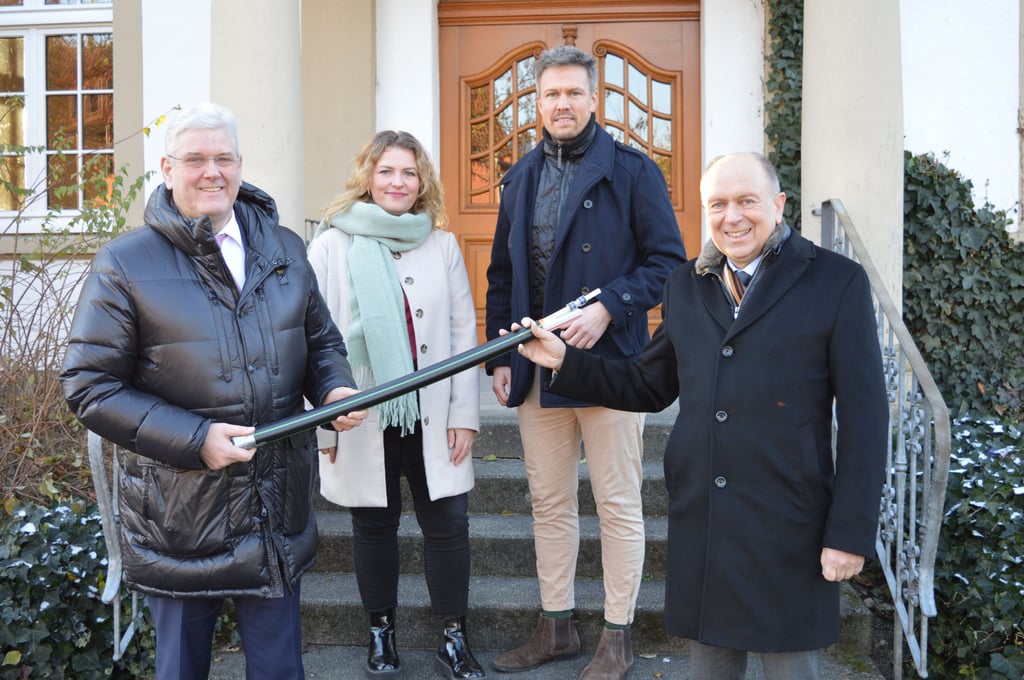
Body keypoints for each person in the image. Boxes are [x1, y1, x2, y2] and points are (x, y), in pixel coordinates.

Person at [507, 151, 889, 680]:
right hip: (706, 519)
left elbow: (867, 416)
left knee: (791, 668)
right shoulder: (686, 284)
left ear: (778, 205)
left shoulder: (835, 281)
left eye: (747, 201)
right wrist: (566, 361)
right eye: (719, 204)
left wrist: (849, 532)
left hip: (790, 522)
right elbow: (648, 383)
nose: (732, 216)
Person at [60, 102, 368, 680]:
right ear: (167, 168)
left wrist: (333, 390)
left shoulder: (283, 248)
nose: (212, 172)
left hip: (272, 510)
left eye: (223, 158)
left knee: (280, 670)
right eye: (195, 159)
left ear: (240, 165)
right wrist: (196, 438)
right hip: (179, 519)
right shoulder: (124, 263)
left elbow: (321, 342)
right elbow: (88, 385)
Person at [484, 44, 687, 679]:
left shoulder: (633, 170)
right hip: (536, 368)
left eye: (574, 93)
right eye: (550, 94)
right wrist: (499, 355)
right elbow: (502, 275)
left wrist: (612, 308)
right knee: (548, 503)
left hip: (610, 367)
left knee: (618, 503)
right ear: (536, 102)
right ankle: (556, 629)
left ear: (594, 98)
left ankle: (618, 636)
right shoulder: (518, 176)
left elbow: (668, 266)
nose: (562, 104)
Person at [307, 130, 485, 680]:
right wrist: (325, 428)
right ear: (368, 177)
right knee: (373, 524)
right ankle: (379, 633)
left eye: (408, 173)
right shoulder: (331, 245)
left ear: (421, 181)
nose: (397, 182)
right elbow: (313, 341)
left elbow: (461, 334)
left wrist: (464, 415)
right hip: (360, 412)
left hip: (432, 411)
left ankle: (453, 638)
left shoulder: (442, 243)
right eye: (386, 171)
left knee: (448, 524)